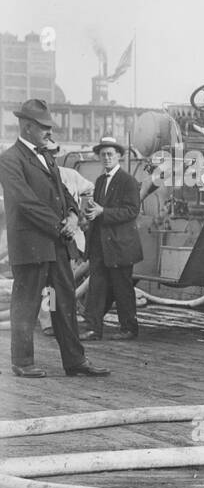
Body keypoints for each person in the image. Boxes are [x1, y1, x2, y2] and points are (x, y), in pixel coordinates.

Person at [0, 99, 108, 377]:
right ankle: (22, 363)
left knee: (63, 301)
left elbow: (63, 193)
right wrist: (62, 226)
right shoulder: (10, 160)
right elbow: (25, 203)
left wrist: (73, 215)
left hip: (55, 246)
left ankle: (75, 361)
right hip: (32, 247)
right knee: (27, 303)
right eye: (44, 127)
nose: (49, 132)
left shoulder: (47, 157)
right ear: (26, 127)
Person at [83, 136, 143, 341]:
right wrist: (92, 213)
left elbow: (132, 211)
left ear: (118, 155)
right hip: (100, 243)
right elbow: (100, 210)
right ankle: (93, 329)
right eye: (103, 155)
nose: (106, 158)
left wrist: (103, 212)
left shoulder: (128, 181)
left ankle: (129, 329)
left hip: (120, 245)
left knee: (122, 288)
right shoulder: (100, 181)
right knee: (96, 287)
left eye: (110, 154)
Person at [37, 145, 93, 335]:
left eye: (52, 155)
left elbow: (91, 190)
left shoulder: (70, 175)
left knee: (67, 280)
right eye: (45, 155)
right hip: (47, 236)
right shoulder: (37, 177)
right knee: (47, 284)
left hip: (72, 236)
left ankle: (66, 321)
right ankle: (47, 322)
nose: (49, 158)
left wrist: (83, 213)